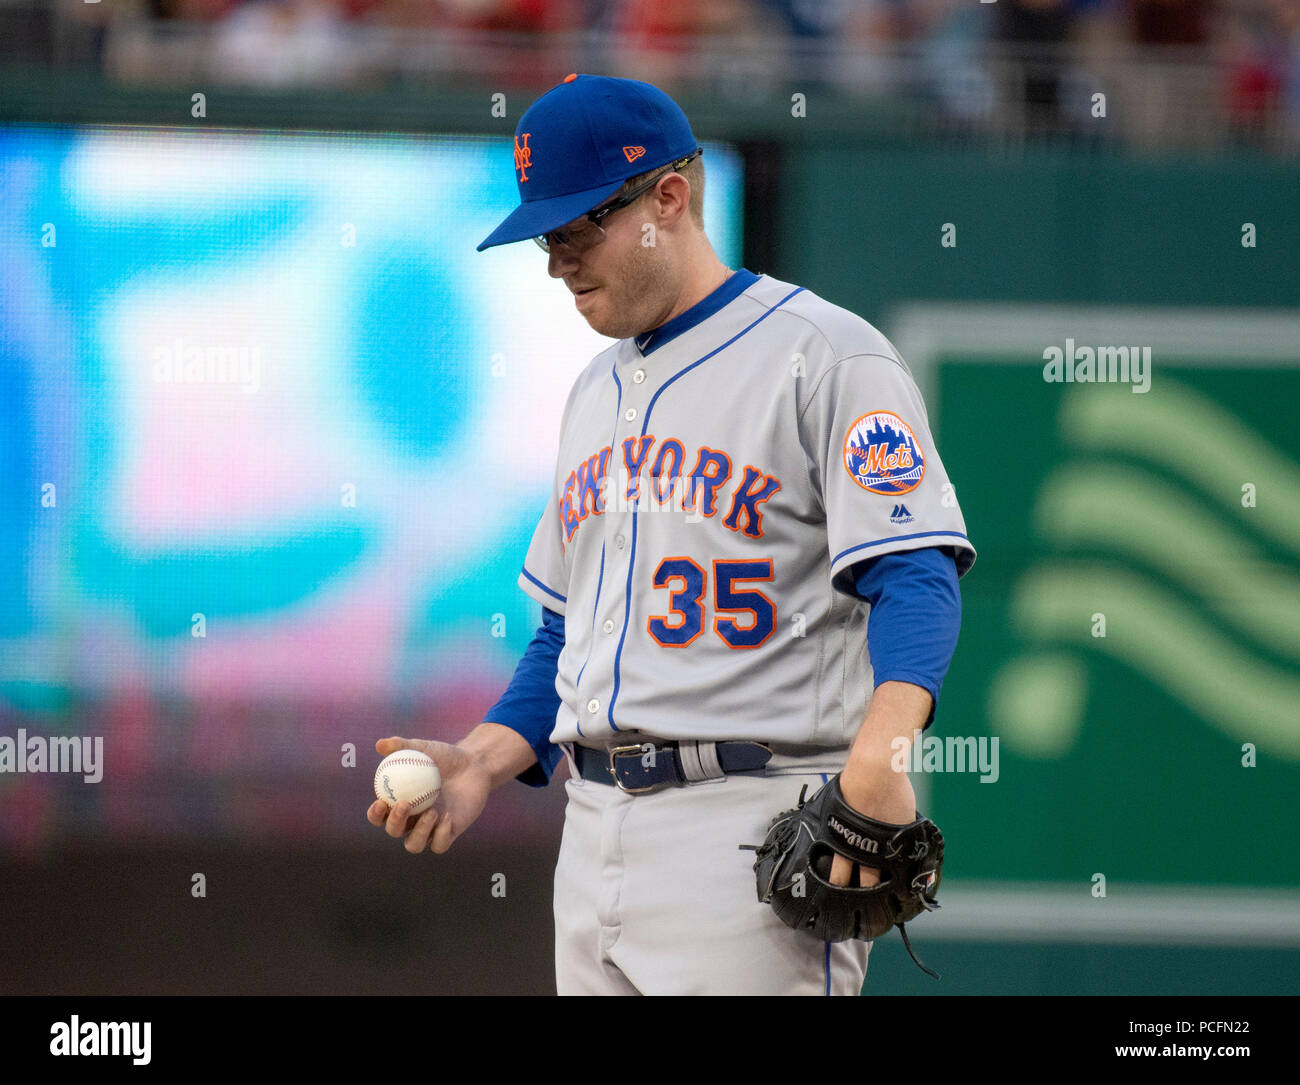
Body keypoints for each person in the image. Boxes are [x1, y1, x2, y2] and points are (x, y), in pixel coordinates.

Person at [367, 73, 975, 995]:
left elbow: (917, 573)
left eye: (576, 228)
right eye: (545, 236)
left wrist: (884, 757)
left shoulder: (825, 354)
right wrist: (482, 762)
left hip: (750, 826)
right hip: (594, 827)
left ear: (669, 197)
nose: (557, 260)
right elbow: (569, 634)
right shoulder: (589, 394)